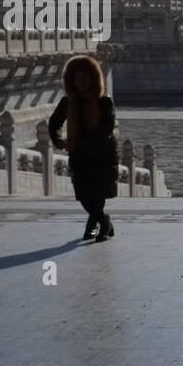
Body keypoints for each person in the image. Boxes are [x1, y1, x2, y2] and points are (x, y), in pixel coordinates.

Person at [49, 55, 120, 242]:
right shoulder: (68, 102)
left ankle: (96, 224)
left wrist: (81, 142)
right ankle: (104, 220)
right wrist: (59, 141)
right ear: (71, 80)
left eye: (85, 77)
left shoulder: (105, 102)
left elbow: (106, 128)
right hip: (79, 155)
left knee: (98, 191)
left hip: (102, 154)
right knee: (83, 194)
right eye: (77, 77)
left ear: (93, 78)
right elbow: (53, 124)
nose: (81, 81)